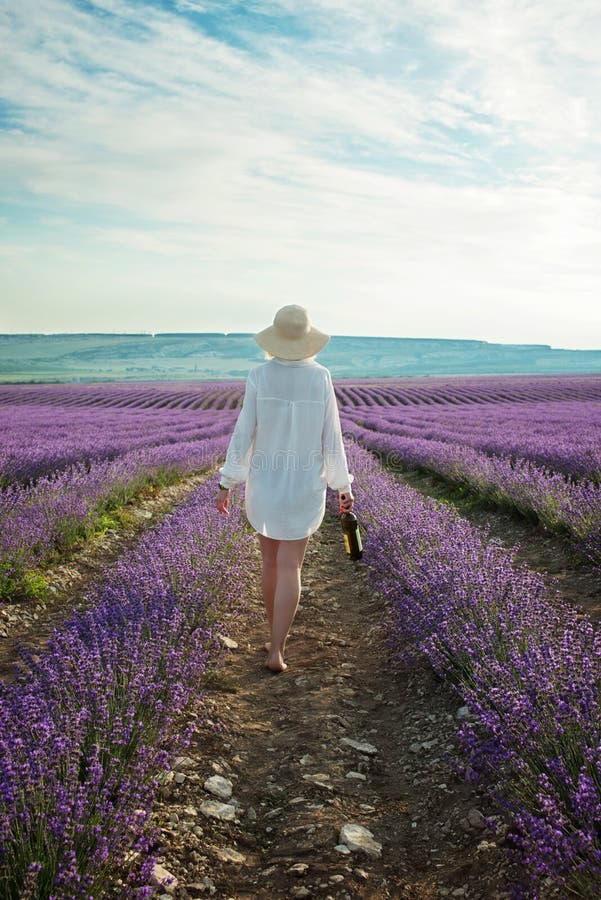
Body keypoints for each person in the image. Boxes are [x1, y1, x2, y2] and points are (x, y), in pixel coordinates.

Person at [215, 304, 355, 673]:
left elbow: (244, 431)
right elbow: (332, 437)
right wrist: (342, 485)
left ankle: (271, 638)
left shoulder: (259, 375)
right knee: (291, 565)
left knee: (269, 562)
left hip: (265, 483)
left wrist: (227, 481)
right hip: (304, 484)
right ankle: (278, 647)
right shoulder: (321, 377)